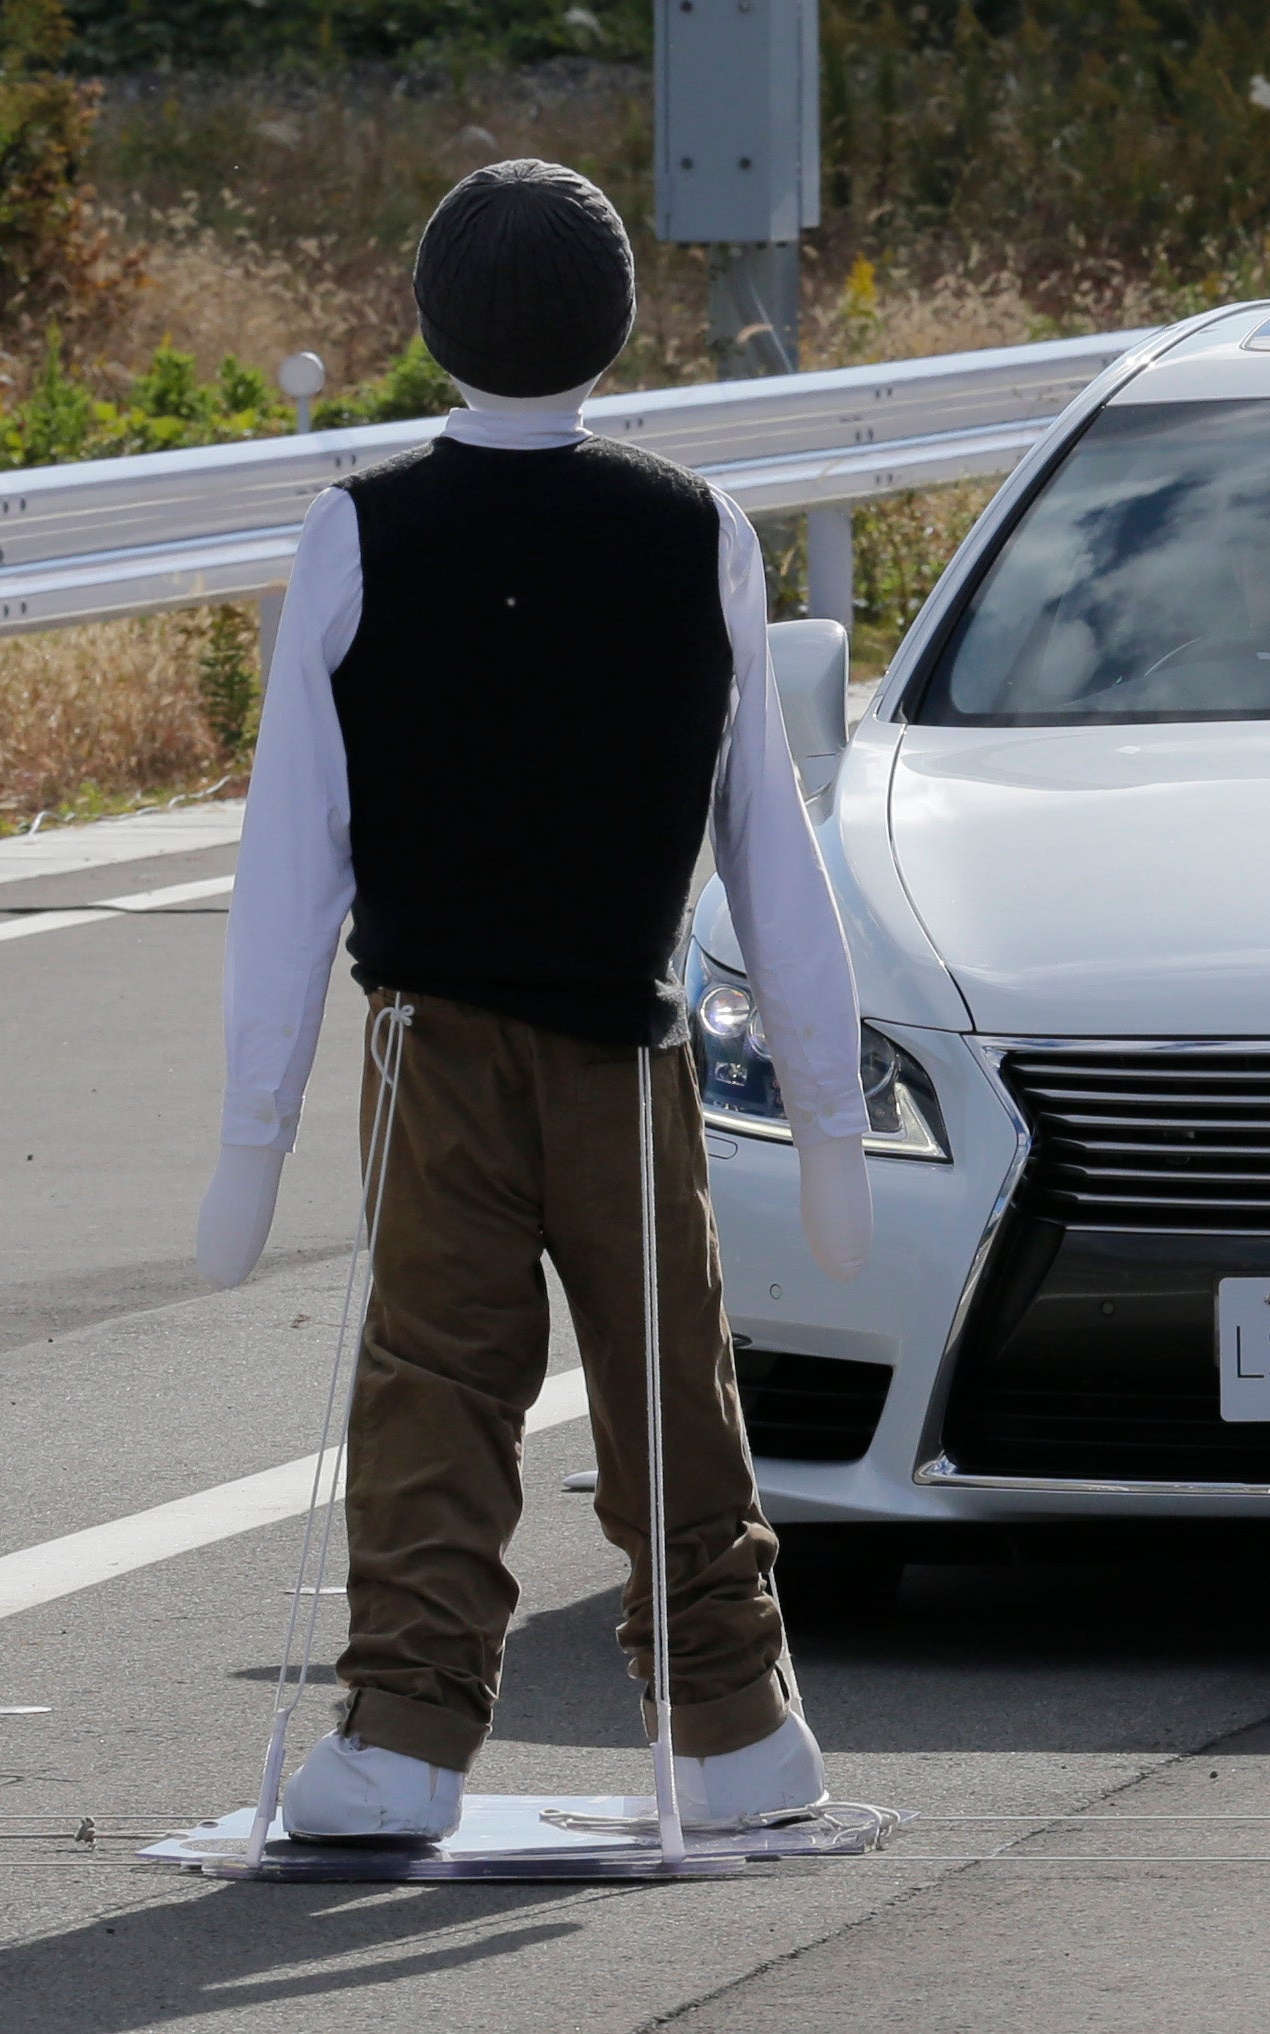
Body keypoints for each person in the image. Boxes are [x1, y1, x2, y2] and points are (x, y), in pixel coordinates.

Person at [194, 159, 873, 1840]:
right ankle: (729, 1718)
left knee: (433, 1377)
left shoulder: (361, 528)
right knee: (673, 1379)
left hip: (434, 1046)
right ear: (618, 323)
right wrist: (832, 1107)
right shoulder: (690, 526)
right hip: (628, 1047)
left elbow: (293, 856)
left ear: (431, 323)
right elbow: (768, 846)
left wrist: (251, 1130)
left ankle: (408, 1737)